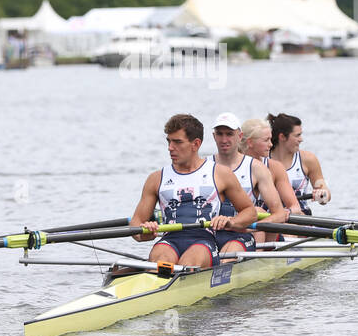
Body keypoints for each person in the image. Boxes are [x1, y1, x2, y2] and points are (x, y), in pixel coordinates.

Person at [130, 113, 257, 269]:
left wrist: (231, 222)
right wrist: (144, 234)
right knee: (160, 259)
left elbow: (250, 212)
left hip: (203, 242)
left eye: (177, 142)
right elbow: (135, 224)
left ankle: (178, 282)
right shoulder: (156, 178)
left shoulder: (220, 174)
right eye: (169, 141)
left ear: (195, 144)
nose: (170, 148)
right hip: (169, 240)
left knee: (189, 263)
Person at [208, 113, 291, 253]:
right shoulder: (205, 165)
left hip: (244, 233)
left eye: (229, 134)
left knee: (258, 211)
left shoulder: (256, 168)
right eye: (219, 134)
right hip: (212, 231)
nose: (224, 139)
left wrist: (254, 225)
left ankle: (256, 259)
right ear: (213, 136)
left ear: (239, 136)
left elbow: (279, 214)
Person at [267, 113, 330, 214]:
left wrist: (323, 194)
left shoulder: (308, 160)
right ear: (282, 137)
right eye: (297, 135)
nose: (301, 139)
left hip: (301, 216)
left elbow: (324, 190)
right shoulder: (261, 160)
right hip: (270, 216)